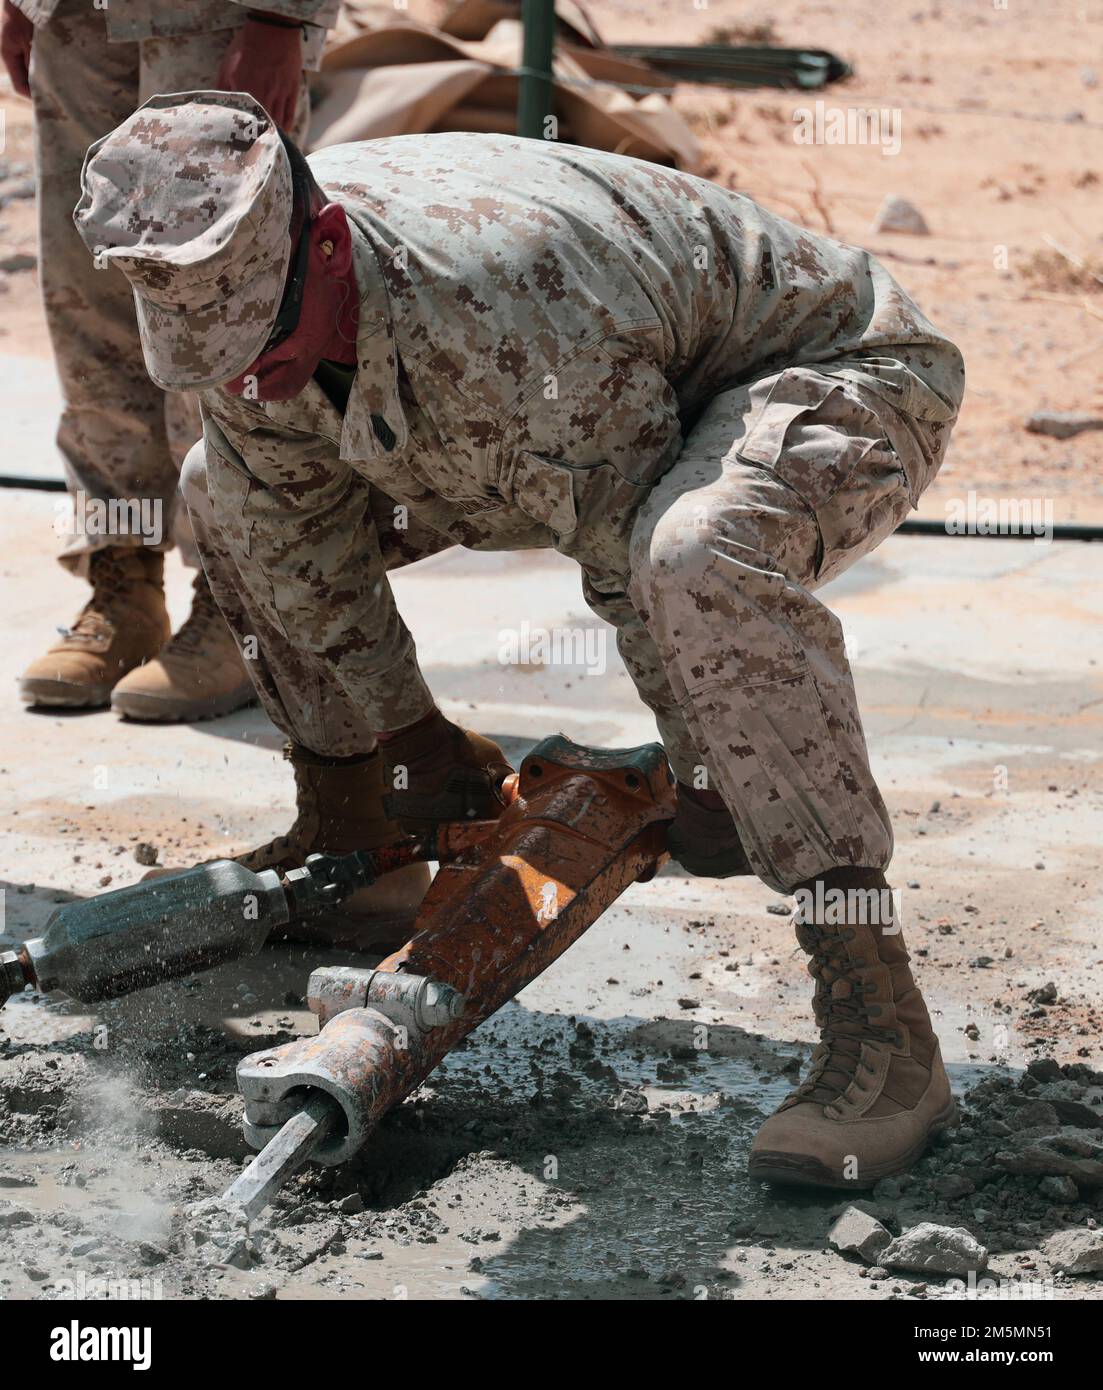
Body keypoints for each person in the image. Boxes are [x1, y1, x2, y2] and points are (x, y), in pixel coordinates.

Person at [73, 90, 966, 1189]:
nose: (249, 378)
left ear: (328, 245)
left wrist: (707, 781)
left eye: (262, 343)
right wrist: (405, 747)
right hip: (536, 412)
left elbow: (623, 559)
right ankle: (366, 822)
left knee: (691, 552)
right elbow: (289, 511)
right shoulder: (253, 305)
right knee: (226, 486)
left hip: (833, 371)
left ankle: (879, 1023)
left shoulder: (510, 294)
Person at [2, 0, 335, 718]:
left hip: (217, 17)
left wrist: (281, 17)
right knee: (89, 303)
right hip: (73, 19)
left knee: (216, 302)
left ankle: (241, 607)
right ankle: (123, 584)